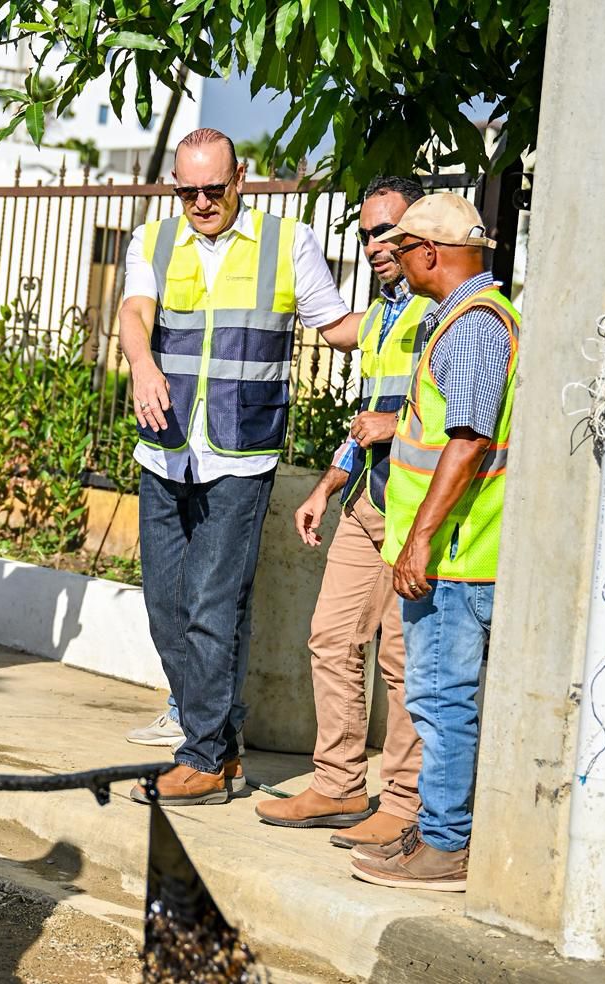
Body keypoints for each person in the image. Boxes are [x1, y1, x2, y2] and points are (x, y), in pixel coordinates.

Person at [123, 128, 361, 806]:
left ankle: (204, 754)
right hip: (165, 448)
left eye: (213, 188)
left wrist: (409, 323)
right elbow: (135, 312)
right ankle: (220, 743)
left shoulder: (289, 244)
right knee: (168, 607)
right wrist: (141, 362)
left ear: (241, 177)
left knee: (213, 604)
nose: (200, 202)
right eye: (186, 190)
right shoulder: (155, 240)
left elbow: (337, 326)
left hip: (241, 452)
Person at [347, 193, 519, 892]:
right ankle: (436, 828)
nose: (394, 256)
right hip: (450, 551)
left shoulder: (474, 327)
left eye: (404, 245)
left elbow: (469, 441)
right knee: (432, 699)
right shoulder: (464, 320)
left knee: (442, 702)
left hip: (457, 555)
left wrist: (418, 542)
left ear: (431, 253)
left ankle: (447, 844)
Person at [254, 177, 433, 848]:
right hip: (365, 501)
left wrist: (397, 425)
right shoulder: (386, 314)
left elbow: (463, 418)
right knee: (331, 638)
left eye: (384, 231)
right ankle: (338, 785)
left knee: (402, 662)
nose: (373, 245)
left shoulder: (445, 309)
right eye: (364, 234)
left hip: (416, 509)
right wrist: (326, 486)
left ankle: (407, 803)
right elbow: (367, 420)